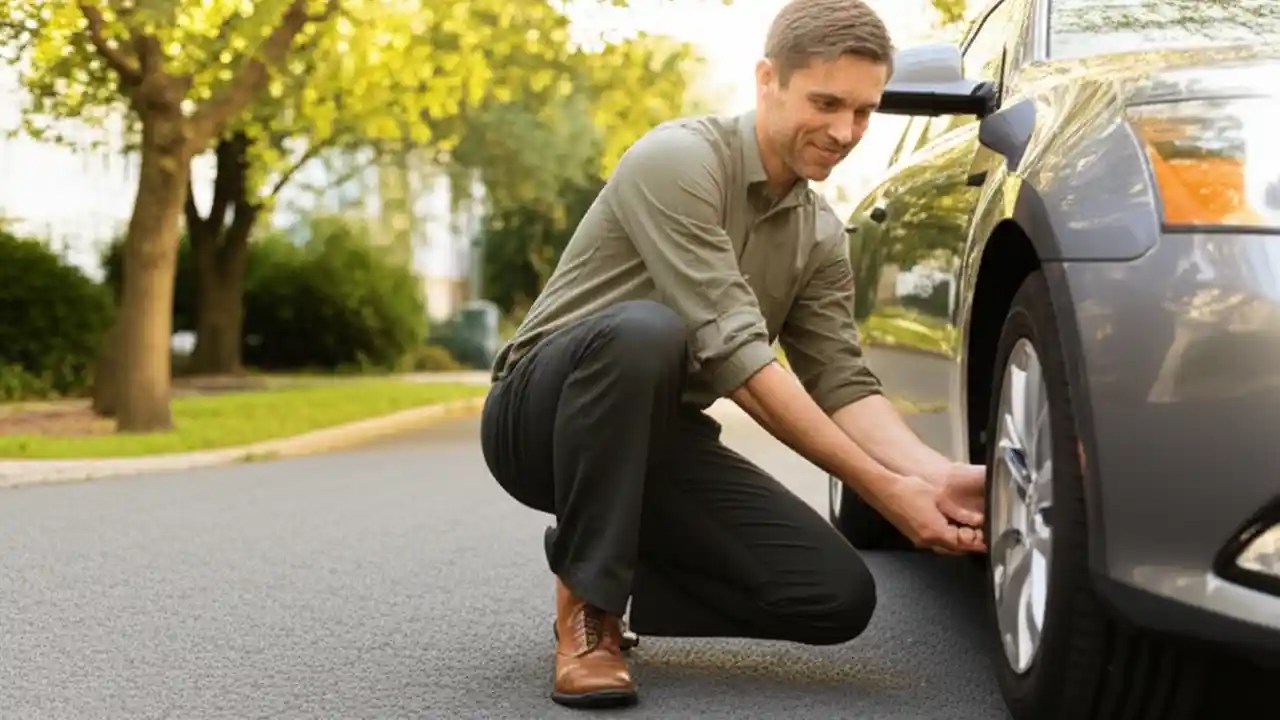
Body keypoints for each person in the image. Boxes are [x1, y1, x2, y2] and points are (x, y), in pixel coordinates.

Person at [479, 0, 987, 709]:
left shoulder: (819, 235)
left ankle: (601, 543)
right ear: (767, 80)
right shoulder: (678, 161)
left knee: (836, 598)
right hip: (538, 417)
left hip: (654, 440)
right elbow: (738, 358)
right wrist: (881, 490)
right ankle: (589, 609)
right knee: (646, 331)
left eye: (865, 112)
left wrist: (935, 478)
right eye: (826, 102)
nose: (845, 132)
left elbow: (842, 383)